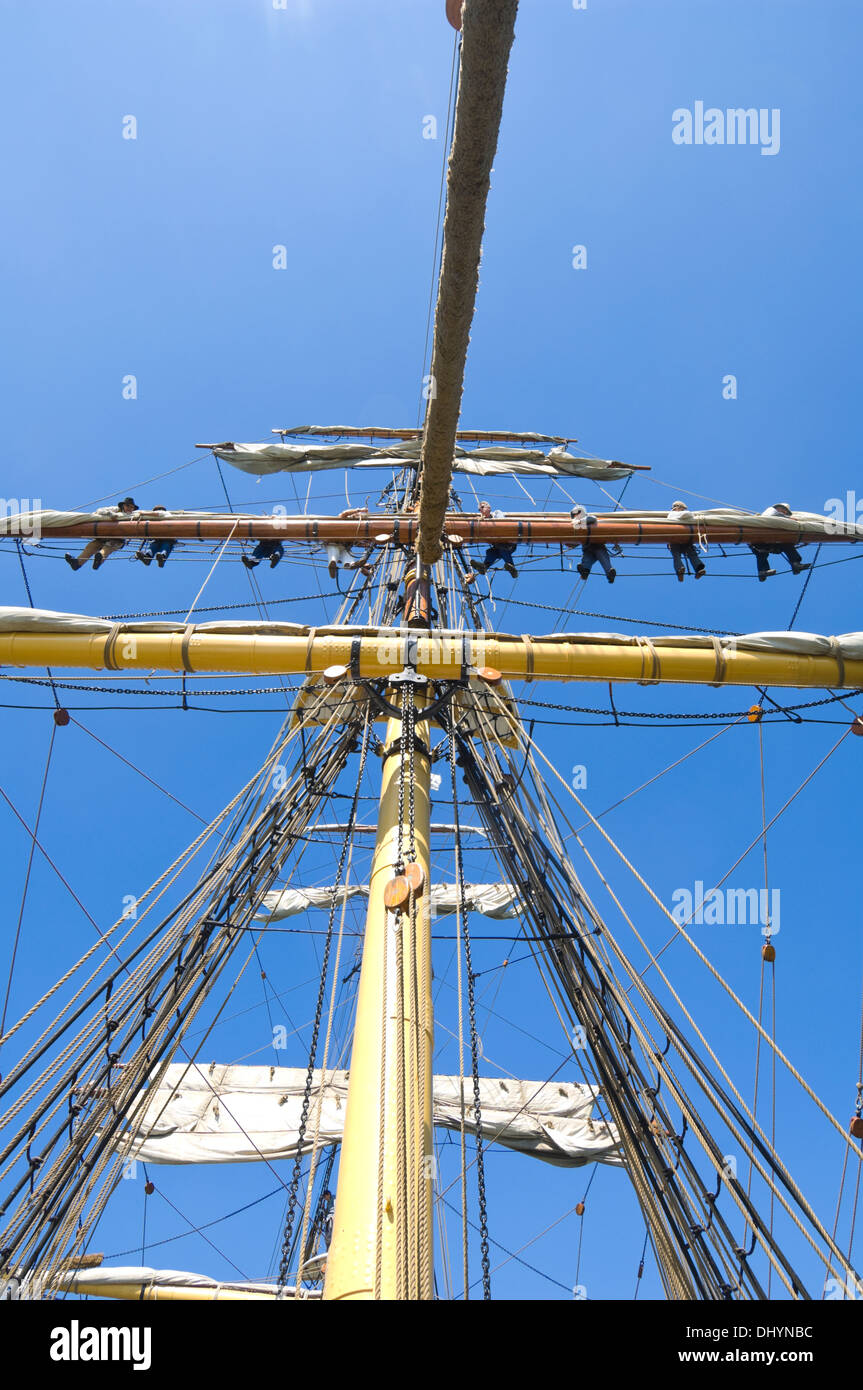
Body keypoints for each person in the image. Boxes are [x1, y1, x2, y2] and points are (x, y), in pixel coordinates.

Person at [65, 498, 138, 571]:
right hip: (103, 536)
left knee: (107, 549)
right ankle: (77, 563)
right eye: (128, 506)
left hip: (117, 539)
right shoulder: (115, 509)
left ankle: (99, 560)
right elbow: (99, 510)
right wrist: (110, 514)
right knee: (91, 546)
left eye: (132, 507)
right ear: (123, 506)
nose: (130, 508)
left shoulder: (133, 515)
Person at [749, 502, 812, 582]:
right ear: (777, 508)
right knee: (762, 553)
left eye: (786, 512)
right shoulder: (771, 510)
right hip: (759, 540)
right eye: (784, 510)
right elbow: (773, 517)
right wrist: (790, 519)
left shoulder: (780, 521)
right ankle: (763, 571)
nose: (785, 512)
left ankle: (795, 564)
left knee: (786, 545)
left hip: (768, 542)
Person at [464, 500, 518, 582]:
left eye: (482, 507)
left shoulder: (497, 513)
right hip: (498, 545)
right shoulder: (482, 520)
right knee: (490, 552)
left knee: (502, 549)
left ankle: (512, 568)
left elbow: (501, 523)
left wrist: (487, 522)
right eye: (479, 510)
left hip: (508, 544)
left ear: (489, 507)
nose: (481, 510)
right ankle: (484, 567)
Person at [666, 500, 706, 581]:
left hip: (676, 539)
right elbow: (687, 514)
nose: (683, 510)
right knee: (691, 554)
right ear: (678, 507)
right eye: (682, 508)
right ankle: (698, 569)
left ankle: (681, 569)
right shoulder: (673, 513)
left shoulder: (671, 514)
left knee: (677, 555)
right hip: (684, 537)